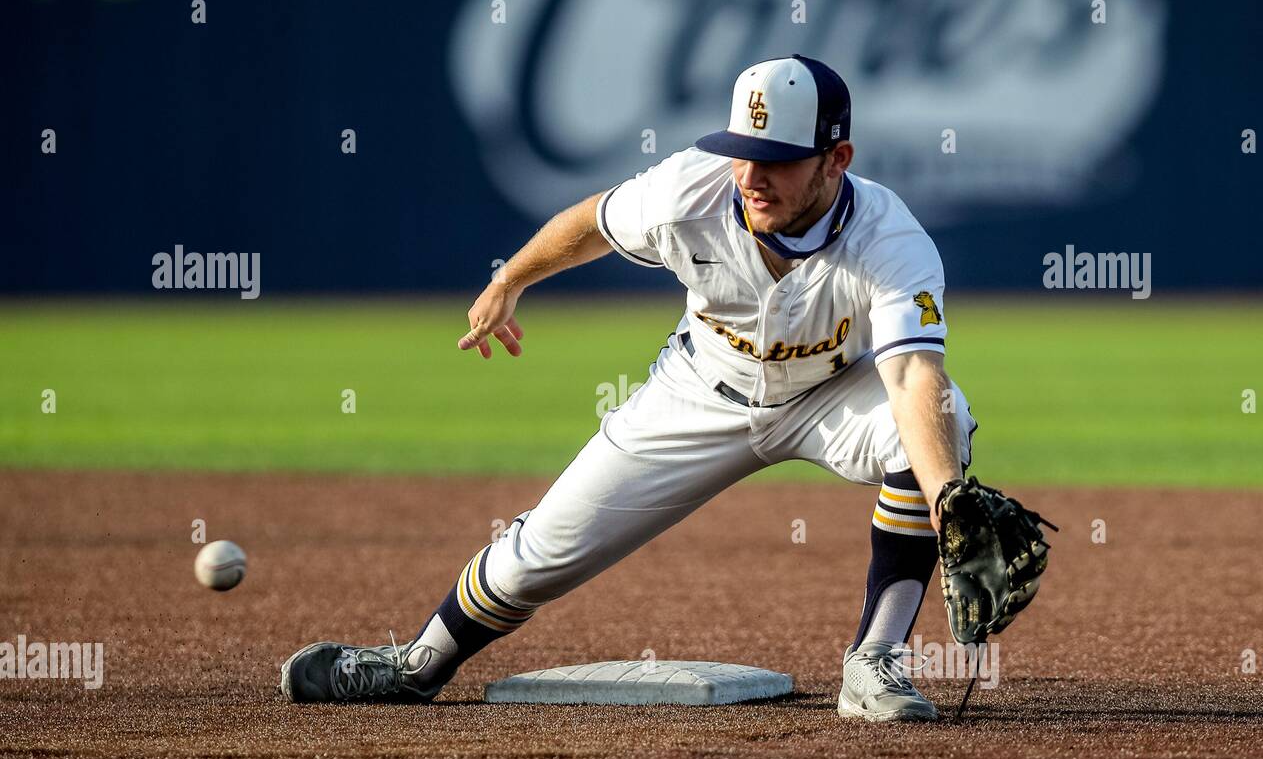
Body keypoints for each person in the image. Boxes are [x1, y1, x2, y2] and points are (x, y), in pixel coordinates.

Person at [281, 54, 977, 722]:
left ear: (837, 159)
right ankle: (418, 667)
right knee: (534, 561)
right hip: (699, 391)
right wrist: (510, 279)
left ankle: (875, 660)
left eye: (779, 158)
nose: (754, 175)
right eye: (743, 151)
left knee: (937, 421)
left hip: (828, 396)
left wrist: (947, 500)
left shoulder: (890, 239)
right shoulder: (687, 192)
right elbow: (589, 225)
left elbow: (914, 373)